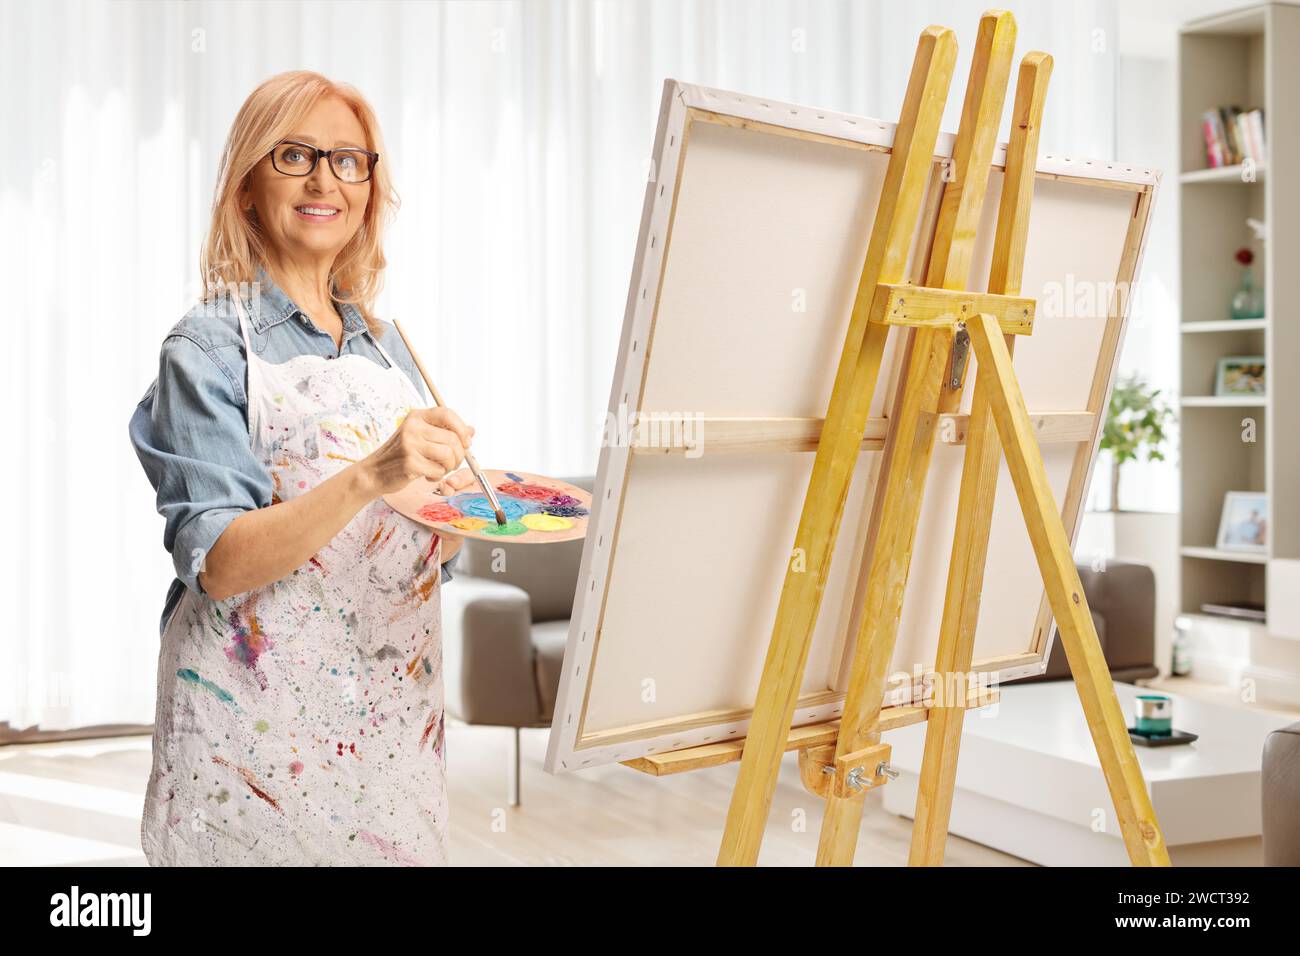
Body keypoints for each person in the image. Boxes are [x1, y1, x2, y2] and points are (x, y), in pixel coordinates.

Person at [128, 70, 476, 866]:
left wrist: (459, 513)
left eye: (350, 160)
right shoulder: (208, 347)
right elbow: (219, 563)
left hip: (389, 722)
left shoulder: (391, 348)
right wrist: (369, 476)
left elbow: (419, 551)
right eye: (295, 155)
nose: (326, 179)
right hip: (248, 725)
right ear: (248, 187)